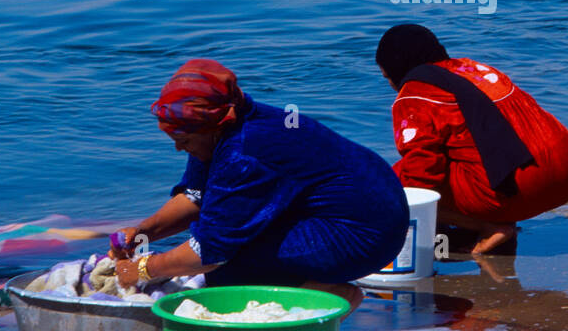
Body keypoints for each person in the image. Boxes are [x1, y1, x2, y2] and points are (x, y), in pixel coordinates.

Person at [111, 59, 409, 296]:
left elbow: (211, 251)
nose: (178, 147)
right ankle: (311, 285)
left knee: (228, 268)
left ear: (213, 126)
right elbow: (196, 197)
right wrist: (143, 233)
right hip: (357, 210)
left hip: (365, 234)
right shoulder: (220, 126)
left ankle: (328, 295)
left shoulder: (244, 154)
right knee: (227, 243)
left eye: (184, 141)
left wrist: (144, 269)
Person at [375, 25, 568, 255]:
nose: (390, 84)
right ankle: (499, 217)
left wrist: (390, 207)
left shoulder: (414, 95)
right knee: (469, 147)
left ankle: (489, 226)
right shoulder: (476, 69)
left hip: (527, 189)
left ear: (398, 67)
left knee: (396, 182)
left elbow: (421, 175)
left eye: (388, 76)